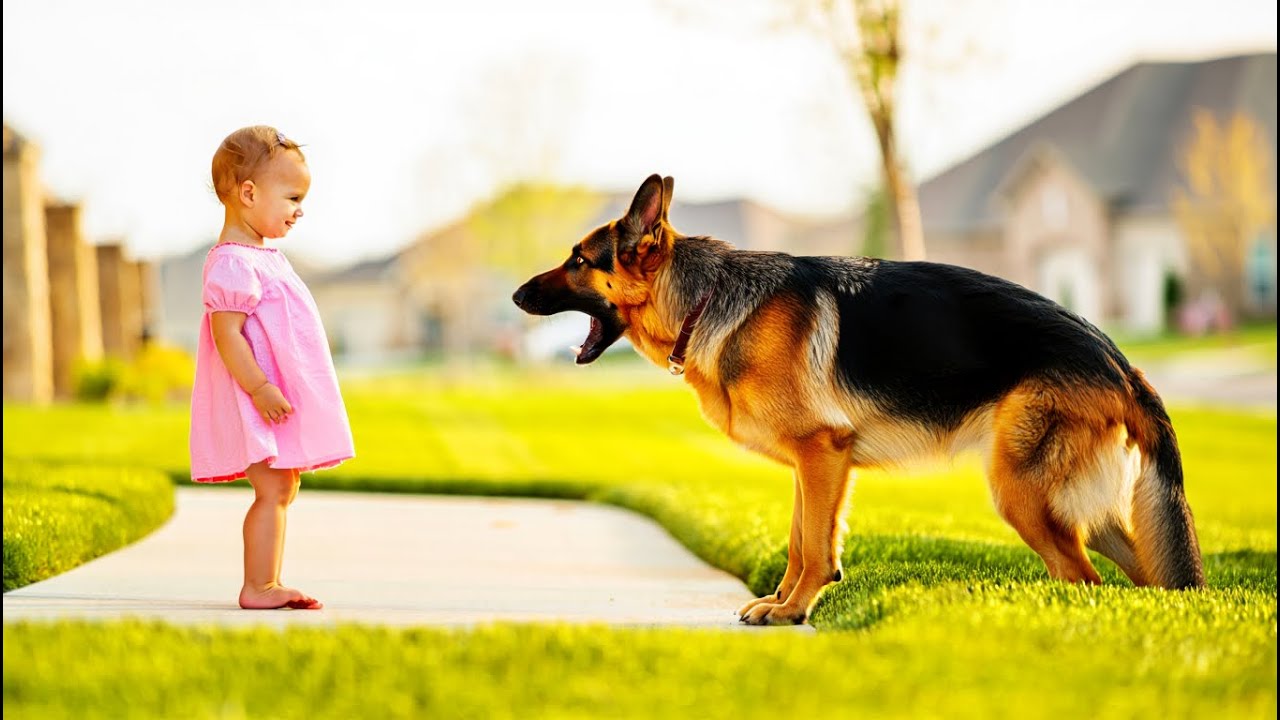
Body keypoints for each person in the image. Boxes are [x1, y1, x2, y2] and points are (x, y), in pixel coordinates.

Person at [189, 126, 355, 610]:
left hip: (271, 397)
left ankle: (267, 580)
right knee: (274, 487)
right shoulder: (233, 264)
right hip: (256, 398)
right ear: (248, 193)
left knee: (283, 486)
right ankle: (258, 585)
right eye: (292, 197)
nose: (300, 209)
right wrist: (259, 387)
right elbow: (227, 337)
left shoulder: (263, 257)